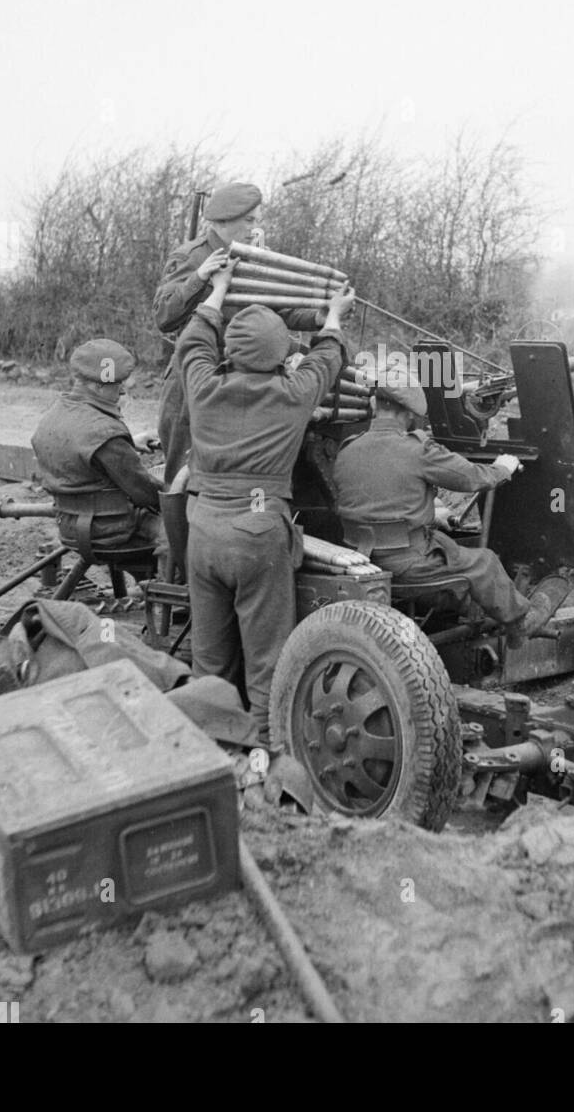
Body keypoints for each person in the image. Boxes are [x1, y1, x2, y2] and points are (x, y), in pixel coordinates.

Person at [176, 258, 354, 743]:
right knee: (267, 659)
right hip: (256, 534)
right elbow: (328, 357)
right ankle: (266, 751)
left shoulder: (203, 387)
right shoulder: (292, 393)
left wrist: (218, 289)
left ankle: (211, 745)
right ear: (280, 355)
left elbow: (193, 340)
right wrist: (334, 314)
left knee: (209, 657)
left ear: (229, 352)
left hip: (204, 529)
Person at [332, 374, 551, 645]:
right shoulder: (417, 450)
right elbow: (471, 478)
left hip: (361, 557)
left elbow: (374, 500)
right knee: (484, 562)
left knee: (451, 550)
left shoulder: (348, 449)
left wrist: (431, 515)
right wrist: (502, 469)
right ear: (408, 414)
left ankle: (482, 614)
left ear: (377, 405)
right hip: (407, 564)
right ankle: (520, 623)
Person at [152, 182, 325, 486]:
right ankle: (178, 531)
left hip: (246, 380)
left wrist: (319, 316)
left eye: (256, 220)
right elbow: (165, 317)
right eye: (248, 220)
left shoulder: (257, 258)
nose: (254, 228)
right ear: (222, 221)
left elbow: (278, 311)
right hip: (192, 378)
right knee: (182, 471)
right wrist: (200, 277)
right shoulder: (191, 256)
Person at [30, 339, 166, 557]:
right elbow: (146, 493)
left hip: (69, 524)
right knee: (181, 533)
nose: (122, 390)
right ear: (98, 385)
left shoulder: (56, 413)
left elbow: (82, 450)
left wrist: (129, 444)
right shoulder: (107, 433)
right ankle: (162, 588)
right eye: (117, 384)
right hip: (110, 529)